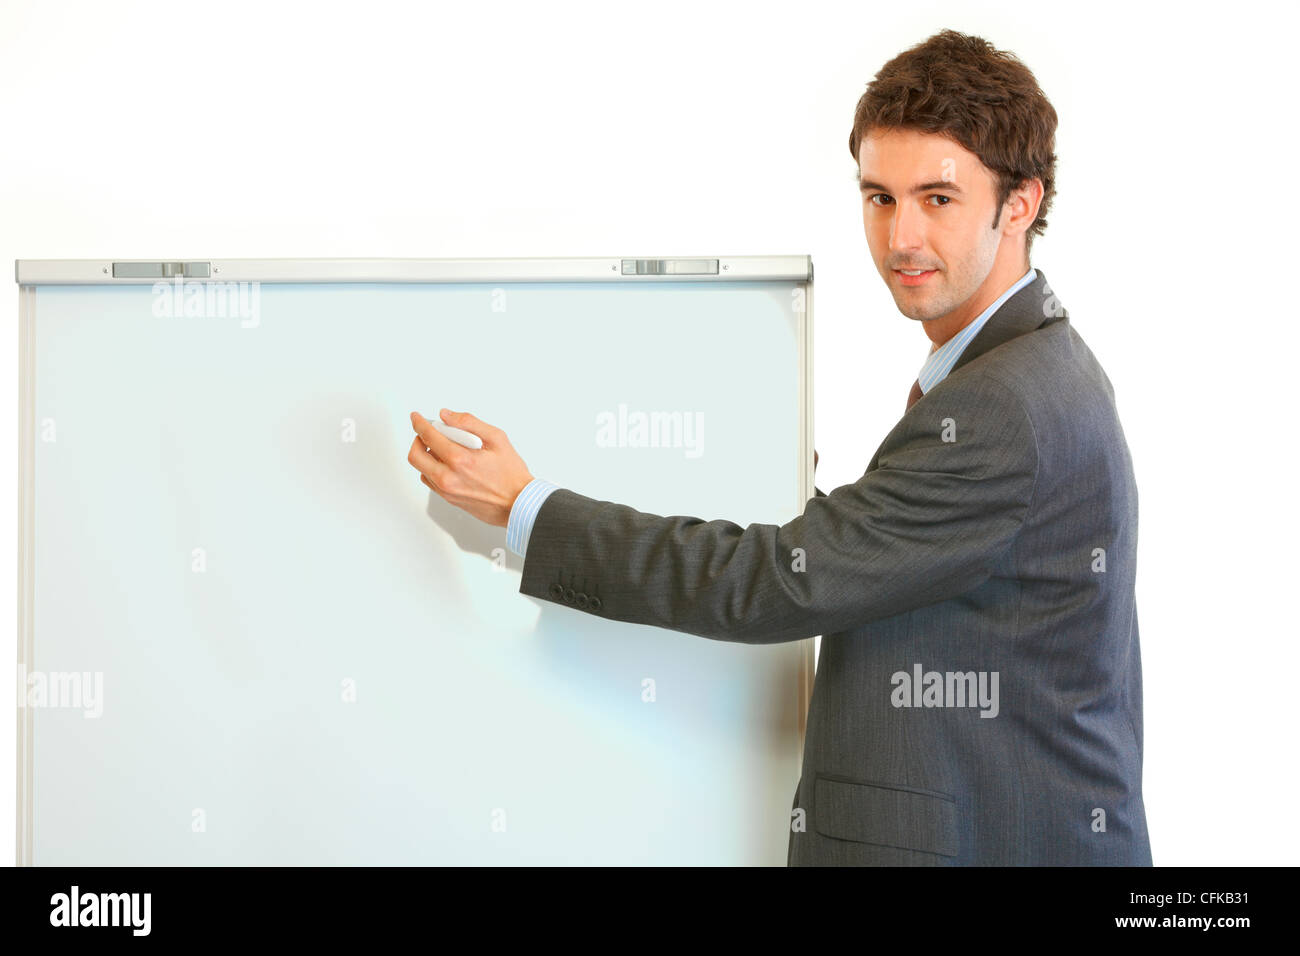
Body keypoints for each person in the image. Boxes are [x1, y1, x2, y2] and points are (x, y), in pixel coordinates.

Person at [406, 29, 1150, 866]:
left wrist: (526, 510)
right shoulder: (1029, 363)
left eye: (937, 199)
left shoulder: (1005, 405)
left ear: (1019, 202)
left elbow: (777, 582)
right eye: (878, 196)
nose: (901, 235)